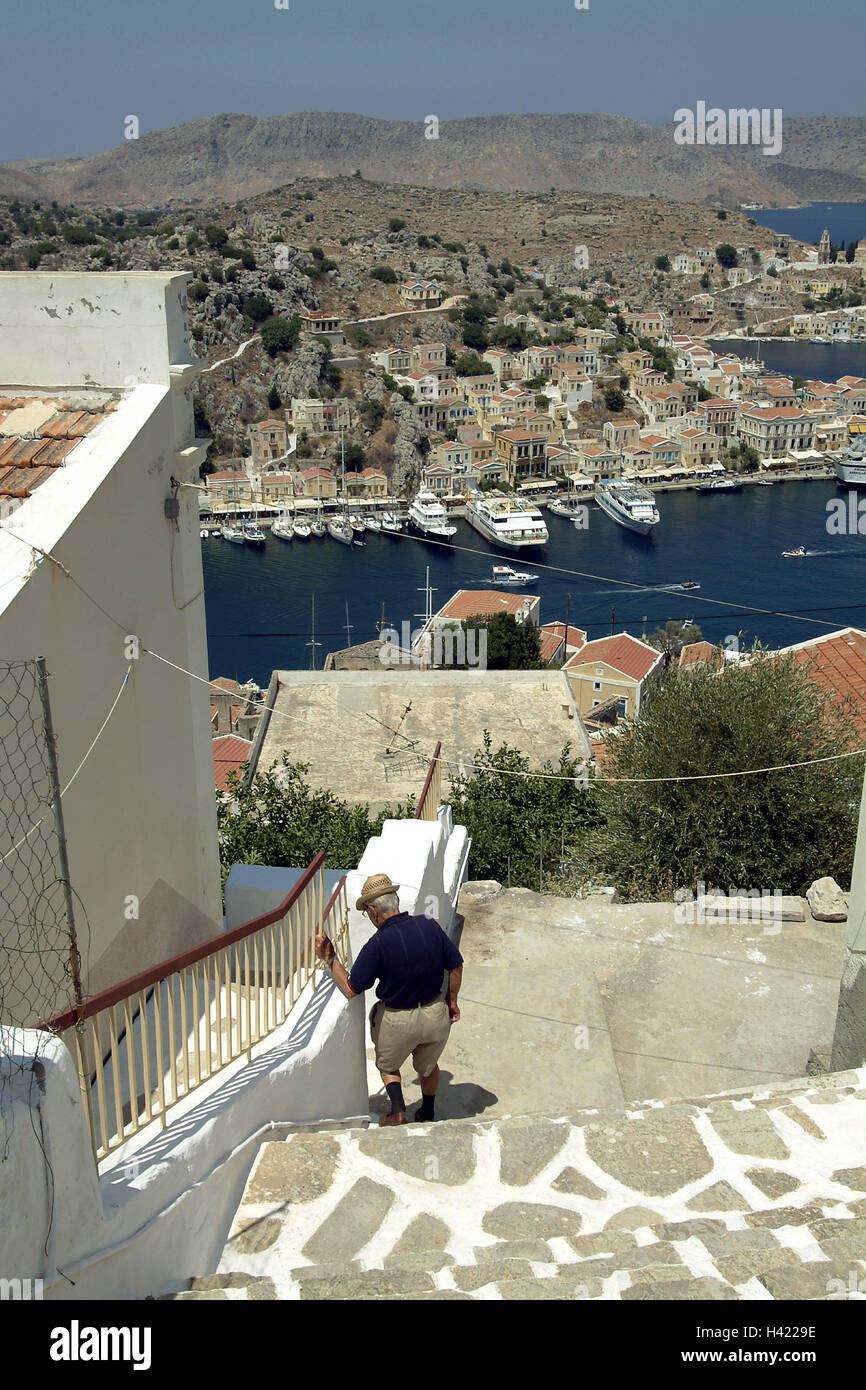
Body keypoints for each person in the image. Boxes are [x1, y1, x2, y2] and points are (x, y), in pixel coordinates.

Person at [315, 872, 463, 1126]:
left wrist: (330, 958)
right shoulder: (429, 925)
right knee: (428, 1067)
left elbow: (351, 988)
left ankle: (397, 1111)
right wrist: (452, 1001)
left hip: (397, 1021)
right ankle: (427, 1112)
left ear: (373, 911)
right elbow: (456, 965)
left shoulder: (377, 944)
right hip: (434, 1013)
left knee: (388, 1067)